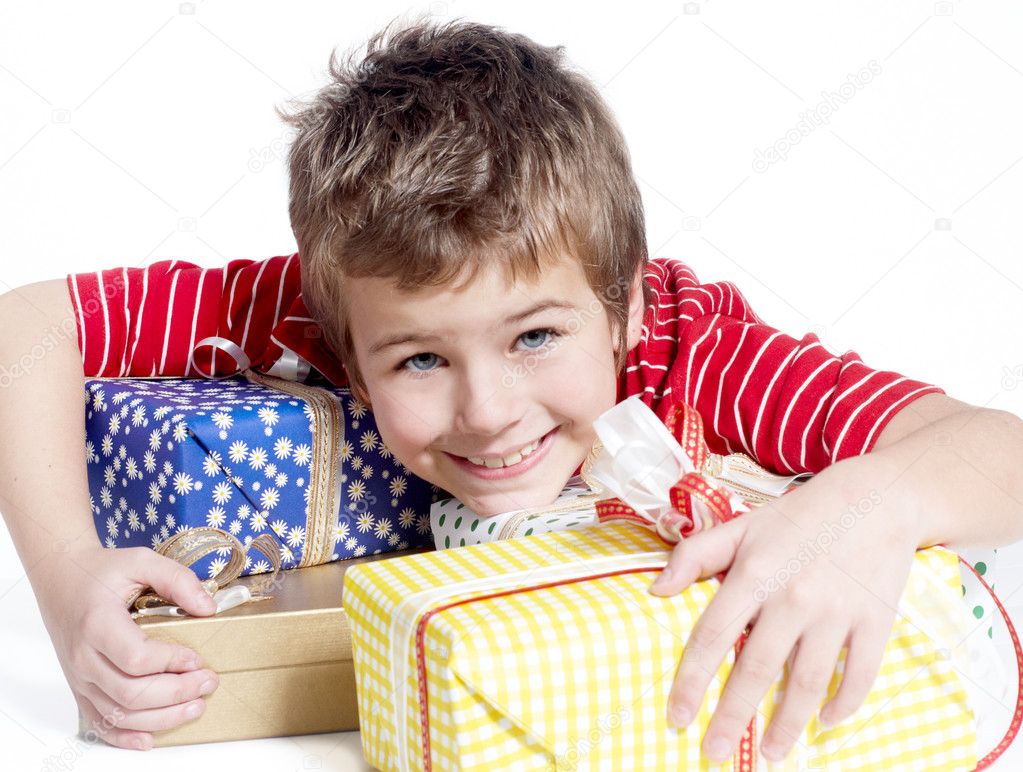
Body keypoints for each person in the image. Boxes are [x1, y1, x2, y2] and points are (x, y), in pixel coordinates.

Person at [2, 15, 1021, 763]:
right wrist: (66, 575)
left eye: (535, 336)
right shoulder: (317, 302)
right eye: (420, 360)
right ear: (343, 345)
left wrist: (868, 499)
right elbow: (26, 325)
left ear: (623, 307)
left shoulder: (692, 354)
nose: (487, 412)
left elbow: (1000, 450)